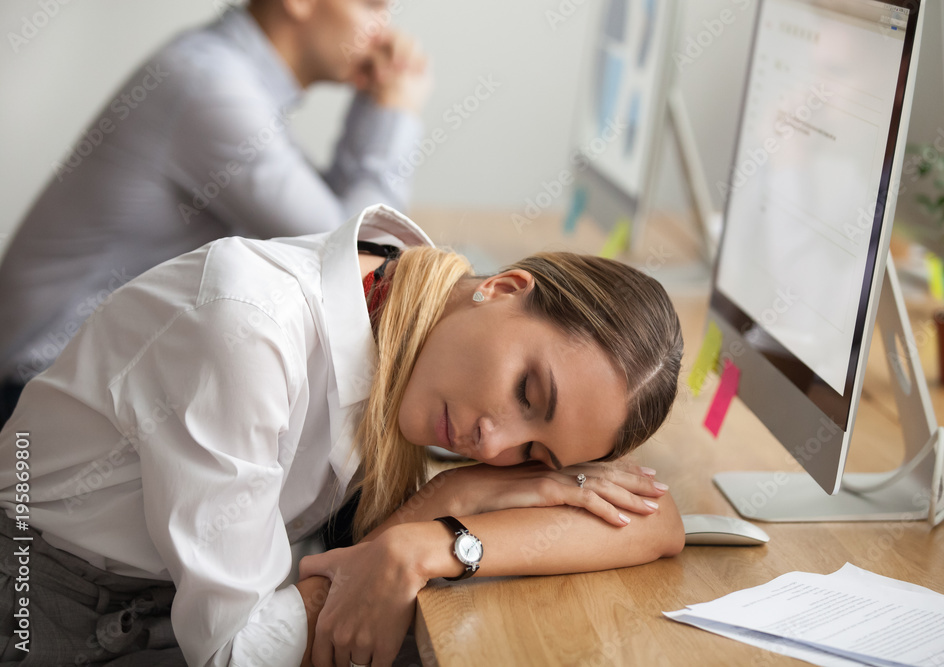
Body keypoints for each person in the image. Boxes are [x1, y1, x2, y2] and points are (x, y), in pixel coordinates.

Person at [0, 204, 685, 667]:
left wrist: (428, 537)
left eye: (535, 455)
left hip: (166, 604)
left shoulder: (399, 301)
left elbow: (656, 521)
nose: (492, 440)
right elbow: (234, 652)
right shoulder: (251, 329)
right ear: (503, 288)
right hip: (39, 608)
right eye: (527, 391)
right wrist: (433, 517)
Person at [0, 0, 431, 426]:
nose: (385, 28)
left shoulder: (225, 74)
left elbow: (339, 240)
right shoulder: (210, 85)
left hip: (74, 388)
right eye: (372, 4)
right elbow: (353, 258)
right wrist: (393, 111)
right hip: (36, 398)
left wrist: (377, 107)